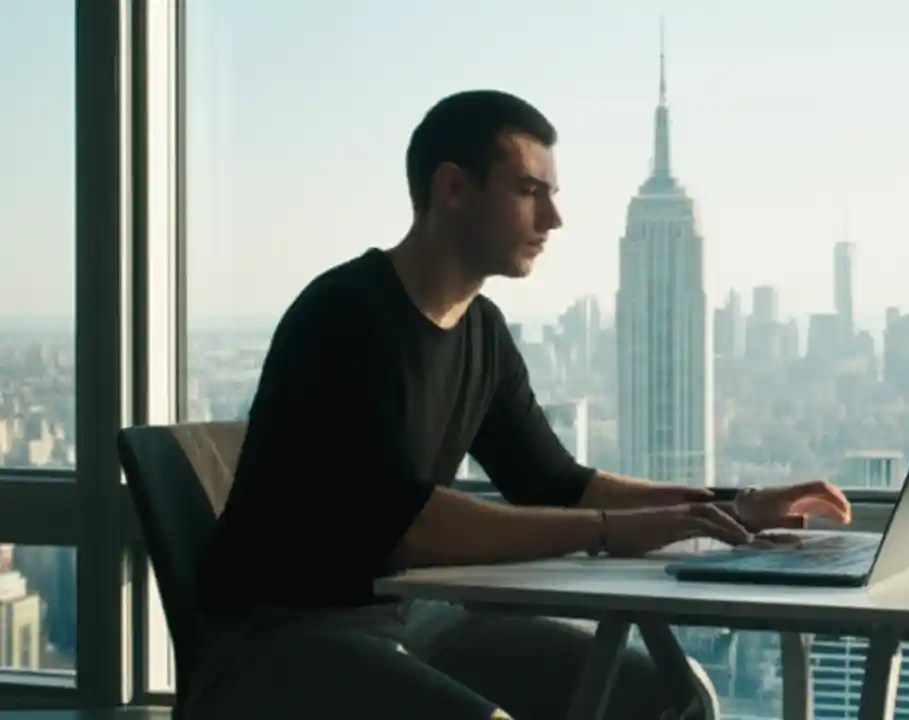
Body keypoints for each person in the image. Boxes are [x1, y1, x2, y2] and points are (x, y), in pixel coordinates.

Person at [189, 89, 852, 720]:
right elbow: (407, 524)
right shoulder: (345, 317)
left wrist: (731, 507)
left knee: (666, 699)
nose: (553, 219)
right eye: (529, 192)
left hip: (407, 614)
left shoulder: (482, 331)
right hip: (275, 643)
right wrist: (607, 531)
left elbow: (557, 483)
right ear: (453, 188)